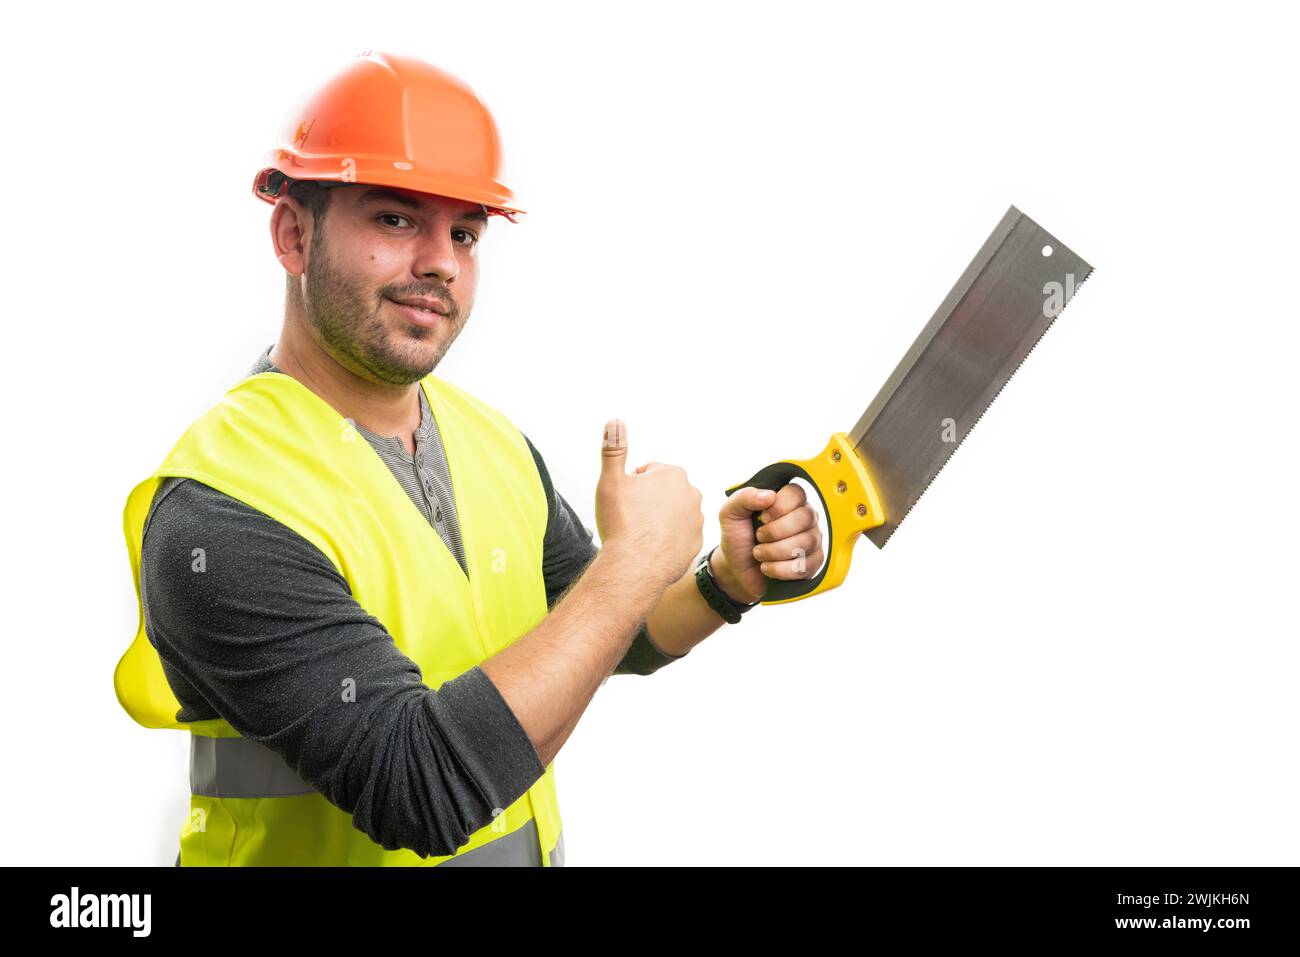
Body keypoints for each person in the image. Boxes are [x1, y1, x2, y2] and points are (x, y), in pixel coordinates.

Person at [114, 51, 823, 866]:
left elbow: (594, 629)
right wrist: (633, 562)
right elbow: (418, 787)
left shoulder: (490, 441)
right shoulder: (222, 511)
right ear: (292, 234)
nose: (440, 262)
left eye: (464, 232)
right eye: (394, 218)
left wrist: (719, 581)